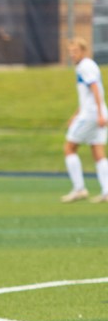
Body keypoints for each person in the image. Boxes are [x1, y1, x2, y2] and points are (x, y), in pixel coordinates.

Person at [61, 38, 108, 203]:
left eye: (75, 51)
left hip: (91, 115)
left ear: (83, 51)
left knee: (69, 148)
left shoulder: (85, 66)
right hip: (95, 112)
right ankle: (106, 191)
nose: (72, 55)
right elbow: (88, 95)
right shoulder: (89, 65)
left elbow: (95, 88)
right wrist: (76, 114)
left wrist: (99, 114)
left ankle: (79, 188)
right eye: (70, 52)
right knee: (98, 151)